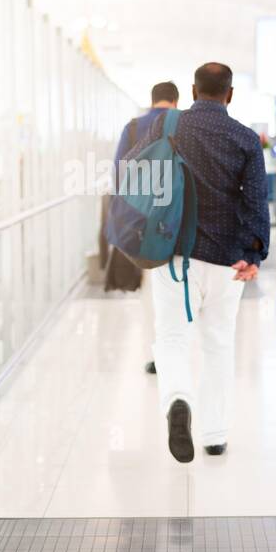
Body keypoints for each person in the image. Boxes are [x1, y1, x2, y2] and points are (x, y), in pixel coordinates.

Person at [128, 62, 269, 462]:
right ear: (230, 94)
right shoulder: (244, 138)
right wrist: (255, 253)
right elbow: (257, 200)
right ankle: (215, 434)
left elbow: (132, 169)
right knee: (219, 344)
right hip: (228, 261)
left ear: (192, 90)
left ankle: (177, 400)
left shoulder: (167, 126)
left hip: (175, 253)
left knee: (172, 336)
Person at [104, 81, 179, 374]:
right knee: (179, 286)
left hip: (144, 225)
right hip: (179, 220)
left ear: (152, 100)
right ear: (175, 100)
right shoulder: (184, 124)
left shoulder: (133, 128)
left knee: (152, 292)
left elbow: (119, 175)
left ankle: (158, 353)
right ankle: (178, 349)